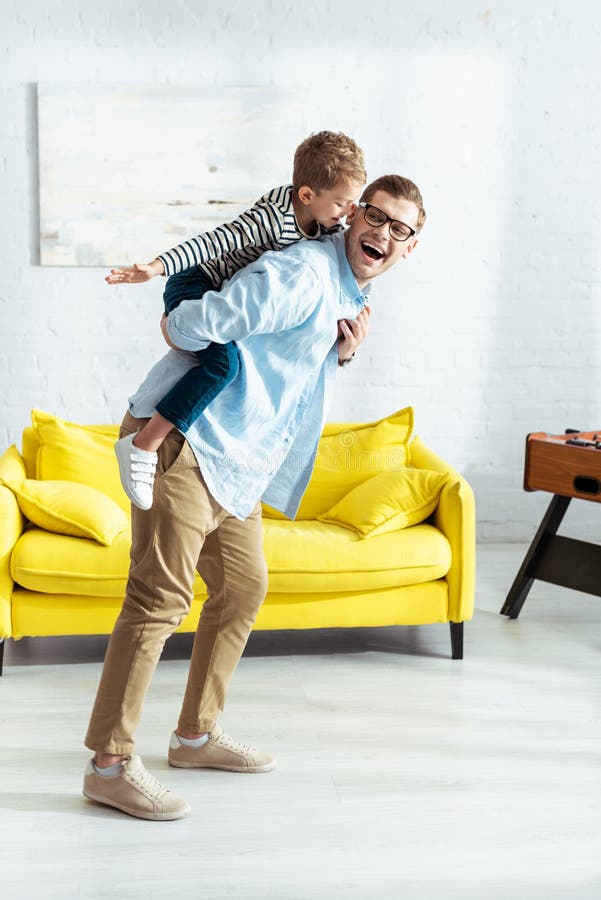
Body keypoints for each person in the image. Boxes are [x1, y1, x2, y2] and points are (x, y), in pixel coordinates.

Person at [82, 174, 426, 821]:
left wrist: (341, 354)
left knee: (242, 588)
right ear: (351, 218)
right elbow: (219, 316)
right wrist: (175, 323)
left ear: (409, 248)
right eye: (374, 217)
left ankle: (194, 737)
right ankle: (108, 765)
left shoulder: (342, 295)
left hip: (235, 465)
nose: (381, 232)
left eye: (398, 228)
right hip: (187, 442)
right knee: (158, 600)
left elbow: (283, 369)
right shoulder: (302, 271)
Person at [106, 131, 367, 510]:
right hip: (196, 281)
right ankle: (143, 445)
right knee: (222, 366)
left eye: (352, 204)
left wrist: (344, 351)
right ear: (307, 196)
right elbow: (214, 242)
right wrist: (156, 267)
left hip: (221, 289)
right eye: (342, 204)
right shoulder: (271, 219)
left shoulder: (325, 222)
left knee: (225, 362)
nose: (347, 214)